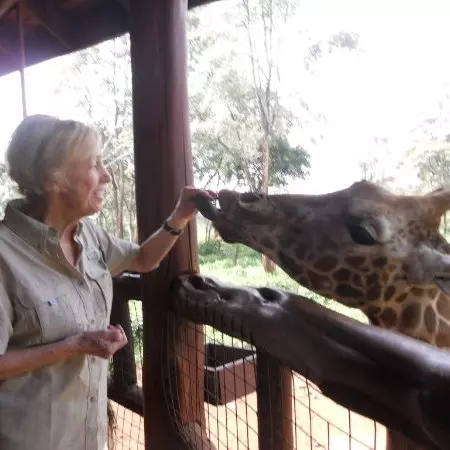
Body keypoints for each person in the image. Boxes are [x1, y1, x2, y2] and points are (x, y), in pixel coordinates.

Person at [0, 114, 217, 450]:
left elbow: (144, 259)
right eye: (93, 164)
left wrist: (180, 215)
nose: (107, 175)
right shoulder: (4, 256)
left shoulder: (89, 235)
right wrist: (76, 345)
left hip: (88, 437)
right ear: (50, 179)